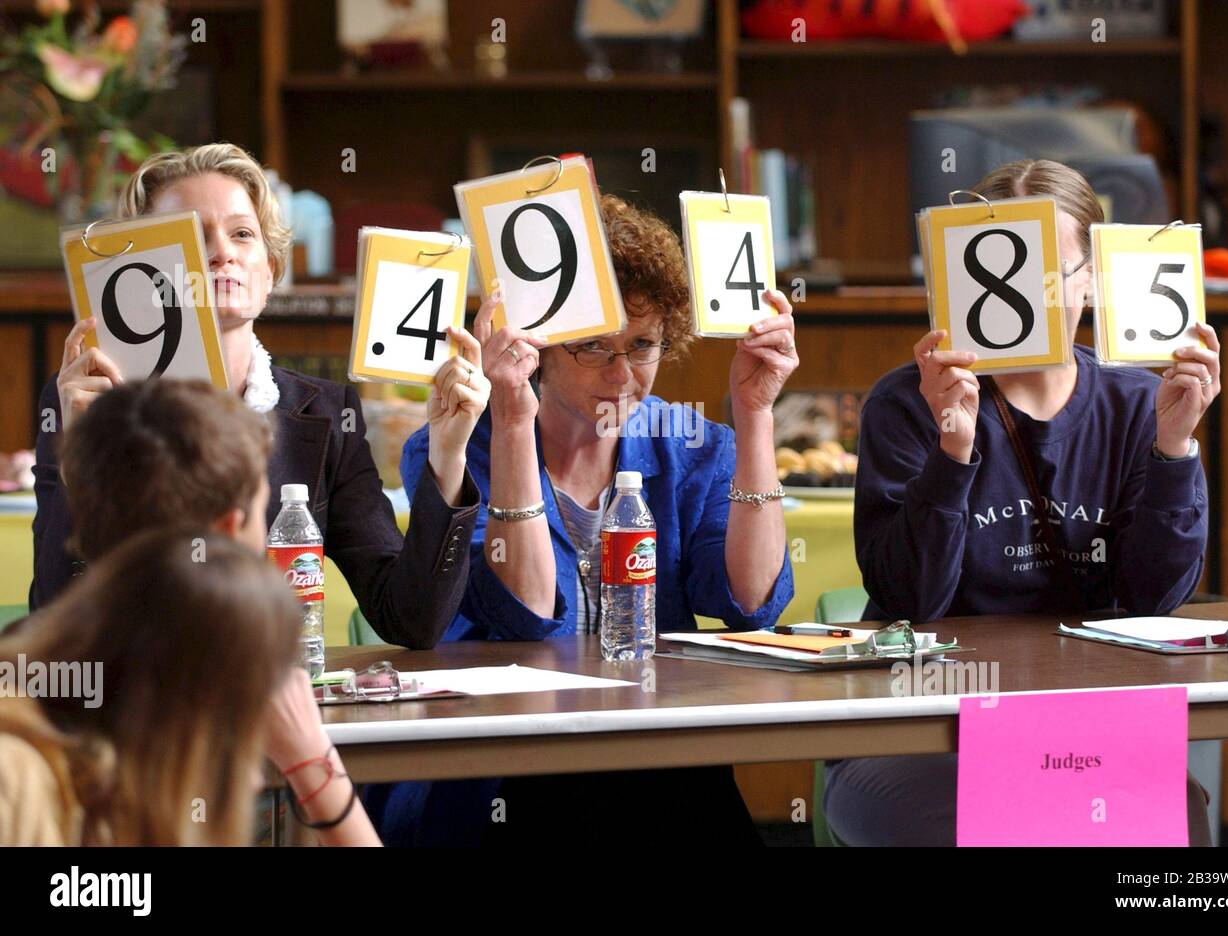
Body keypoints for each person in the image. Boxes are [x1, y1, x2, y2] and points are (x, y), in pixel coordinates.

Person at [371, 194, 799, 845]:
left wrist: (756, 412)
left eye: (643, 345)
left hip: (658, 753)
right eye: (593, 347)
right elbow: (527, 611)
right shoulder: (460, 447)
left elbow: (749, 602)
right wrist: (514, 414)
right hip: (508, 765)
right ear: (538, 347)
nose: (623, 375)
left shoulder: (693, 445)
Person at [827, 159, 1220, 846]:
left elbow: (1156, 598)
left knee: (1167, 815)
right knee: (982, 826)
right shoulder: (906, 403)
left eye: (1049, 274)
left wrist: (1174, 447)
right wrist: (952, 452)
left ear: (1093, 277)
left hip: (1079, 723)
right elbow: (907, 595)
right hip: (921, 724)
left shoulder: (1136, 402)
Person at [31, 143, 488, 649]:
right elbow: (57, 623)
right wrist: (81, 462)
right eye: (191, 235)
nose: (221, 252)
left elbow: (412, 620)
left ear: (270, 269)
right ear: (145, 270)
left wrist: (447, 455)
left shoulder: (329, 414)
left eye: (241, 234)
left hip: (276, 703)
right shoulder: (86, 401)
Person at [0, 527, 380, 846]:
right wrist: (313, 766)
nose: (251, 781)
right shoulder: (18, 782)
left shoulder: (121, 794)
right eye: (234, 731)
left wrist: (308, 760)